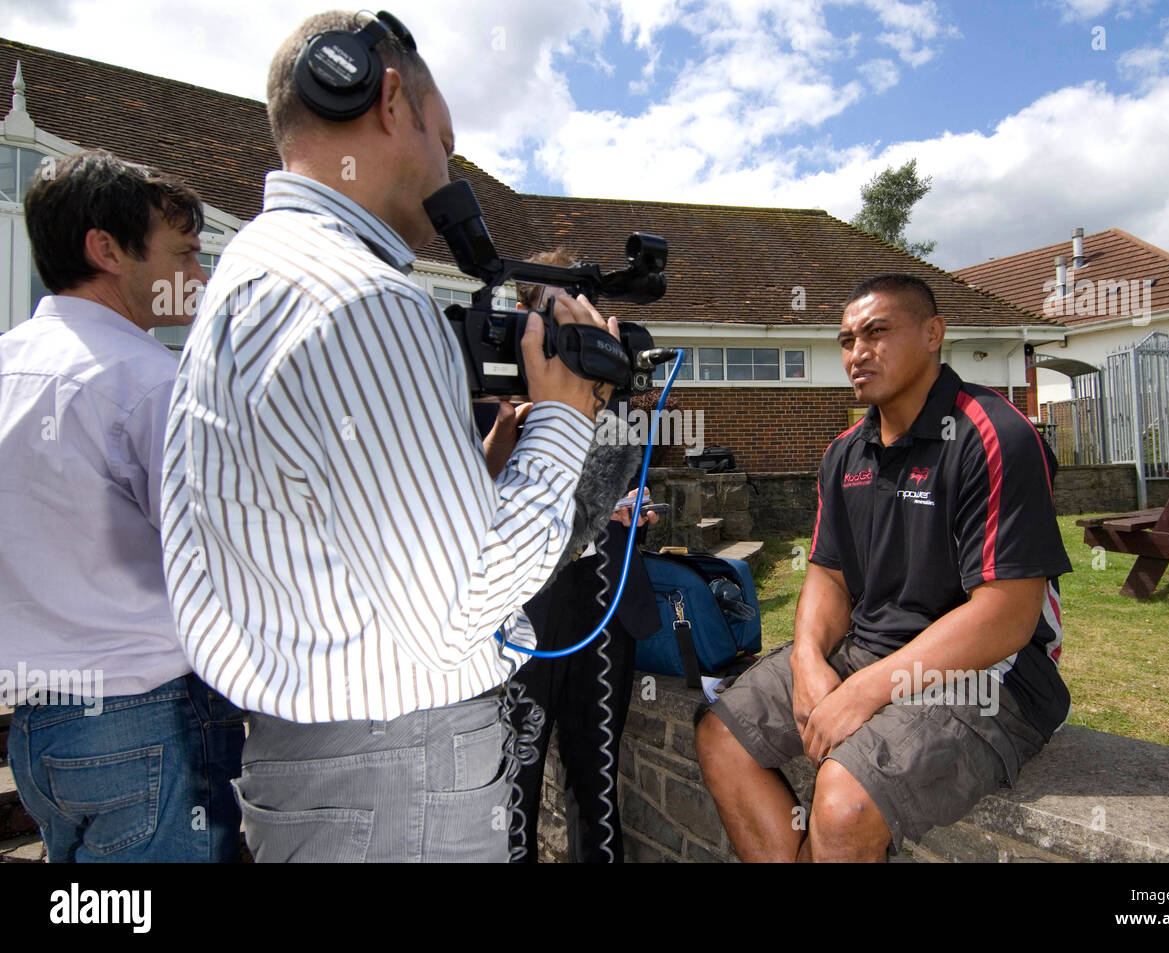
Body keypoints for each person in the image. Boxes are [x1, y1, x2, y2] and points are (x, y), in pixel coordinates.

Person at [159, 10, 616, 863]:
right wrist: (566, 416)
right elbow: (456, 612)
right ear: (389, 99)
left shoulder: (257, 268)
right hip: (399, 777)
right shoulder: (362, 298)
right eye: (446, 139)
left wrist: (482, 474)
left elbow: (339, 530)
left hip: (320, 766)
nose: (447, 170)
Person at [696, 273, 1071, 862]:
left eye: (876, 333)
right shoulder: (845, 451)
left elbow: (1006, 616)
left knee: (845, 803)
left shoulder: (994, 435)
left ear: (932, 334)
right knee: (722, 738)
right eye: (847, 340)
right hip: (869, 647)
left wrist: (866, 691)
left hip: (991, 675)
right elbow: (829, 575)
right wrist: (807, 659)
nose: (857, 353)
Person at [0, 149, 245, 862]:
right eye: (187, 253)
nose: (198, 278)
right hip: (149, 723)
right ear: (106, 250)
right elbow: (226, 552)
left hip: (43, 734)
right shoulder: (148, 381)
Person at [500, 252, 661, 863]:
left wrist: (635, 509)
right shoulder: (489, 395)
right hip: (522, 610)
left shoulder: (613, 399)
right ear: (527, 315)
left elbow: (617, 483)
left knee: (596, 782)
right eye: (557, 302)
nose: (575, 316)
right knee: (517, 781)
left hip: (603, 603)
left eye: (582, 302)